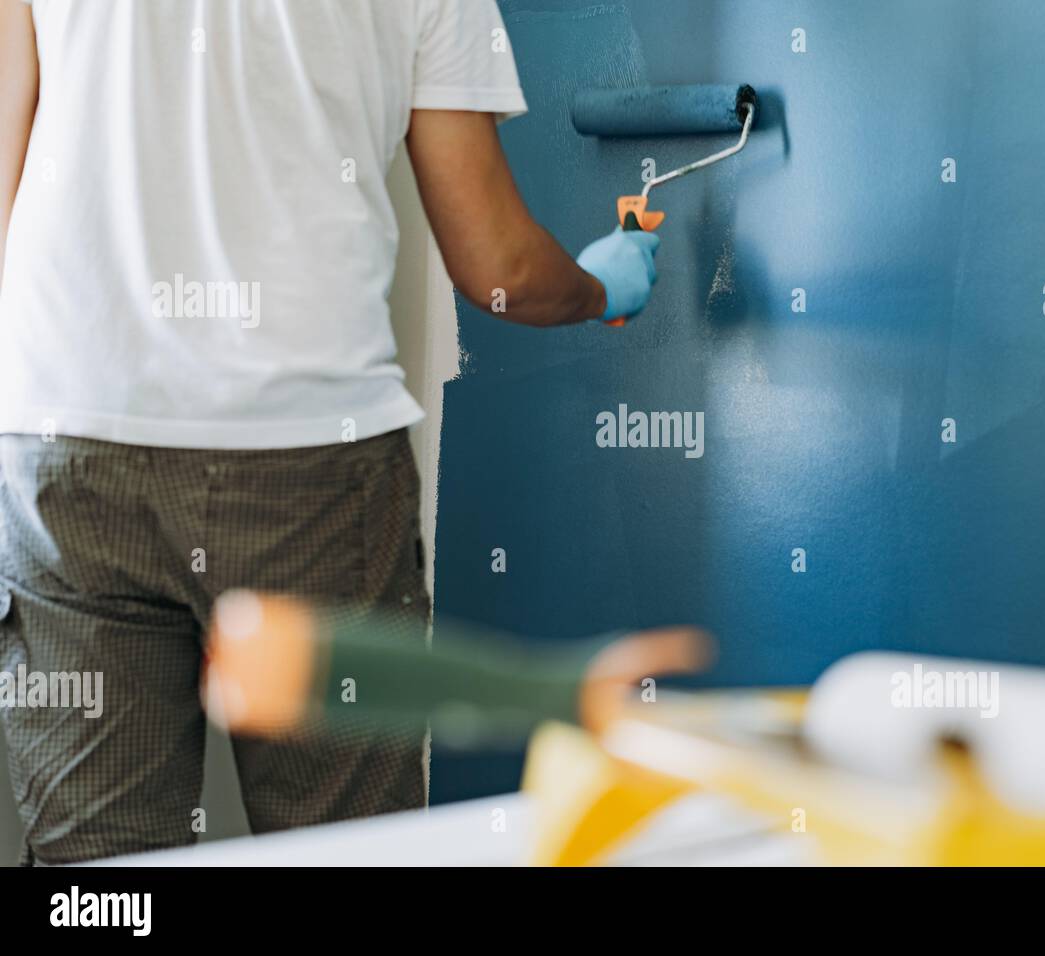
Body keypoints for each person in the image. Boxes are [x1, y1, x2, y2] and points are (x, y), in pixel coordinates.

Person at [0, 0, 693, 865]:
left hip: (67, 444)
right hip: (309, 466)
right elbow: (501, 270)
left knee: (102, 878)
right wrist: (600, 288)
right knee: (346, 848)